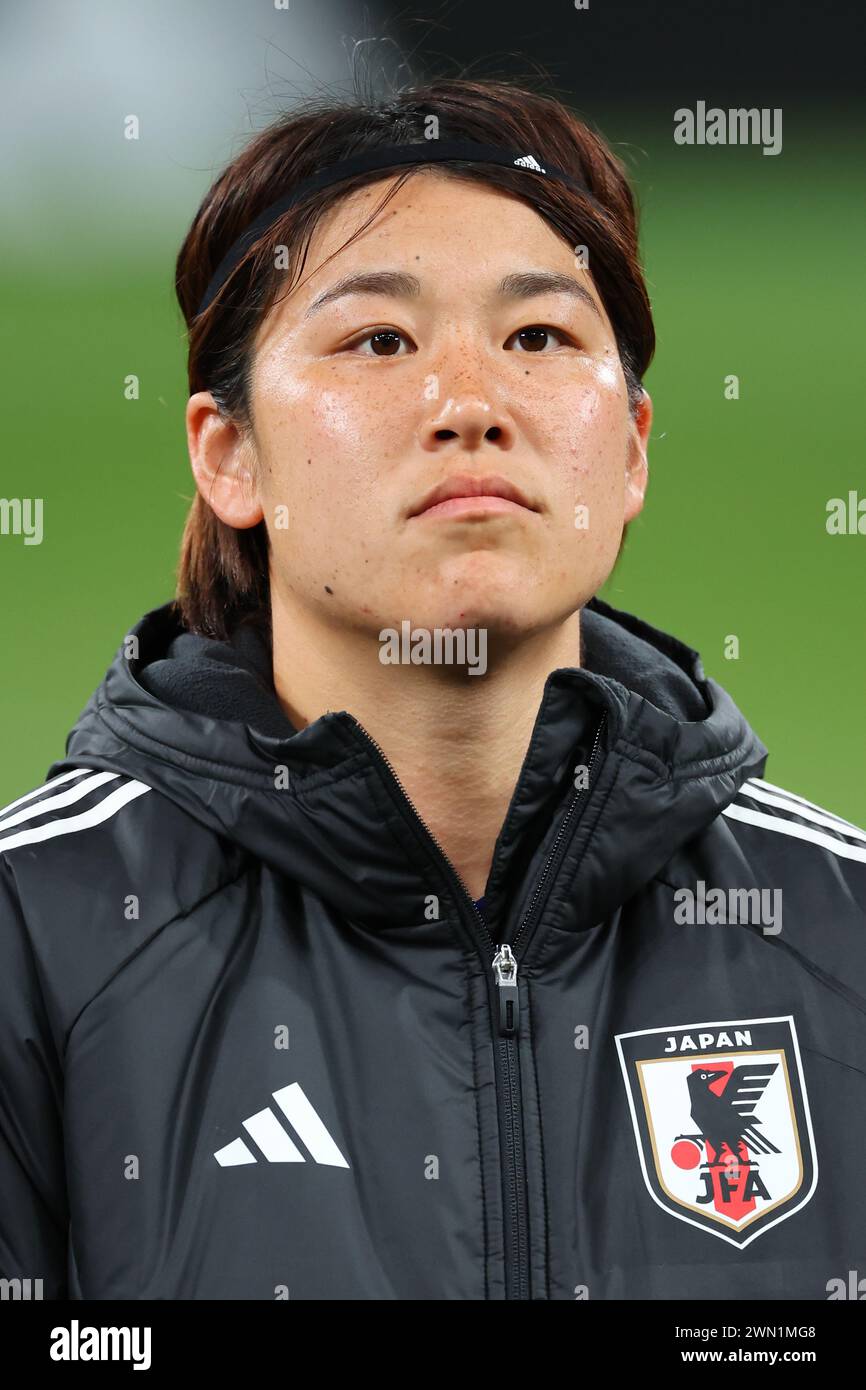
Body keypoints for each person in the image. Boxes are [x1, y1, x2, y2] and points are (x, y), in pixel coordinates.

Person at [1, 77, 863, 1302]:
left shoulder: (839, 932)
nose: (470, 405)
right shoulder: (33, 942)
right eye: (378, 341)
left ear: (628, 452)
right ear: (229, 455)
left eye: (538, 339)